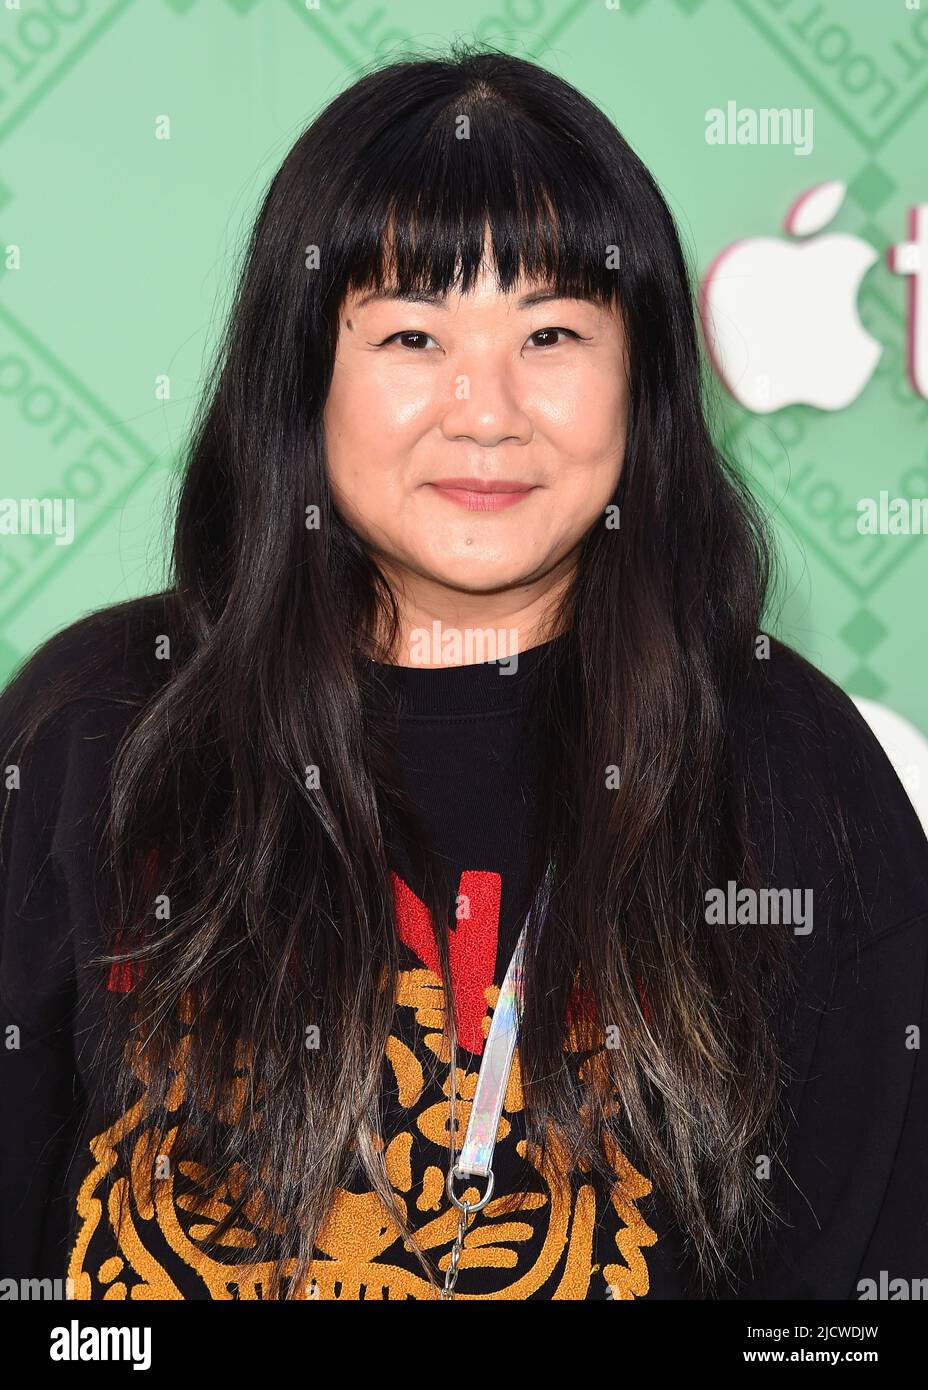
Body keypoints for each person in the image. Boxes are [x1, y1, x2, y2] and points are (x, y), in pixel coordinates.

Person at [1, 43, 927, 1303]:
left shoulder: (790, 770)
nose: (484, 409)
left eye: (550, 330)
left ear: (644, 377)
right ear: (302, 373)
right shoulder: (99, 725)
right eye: (410, 333)